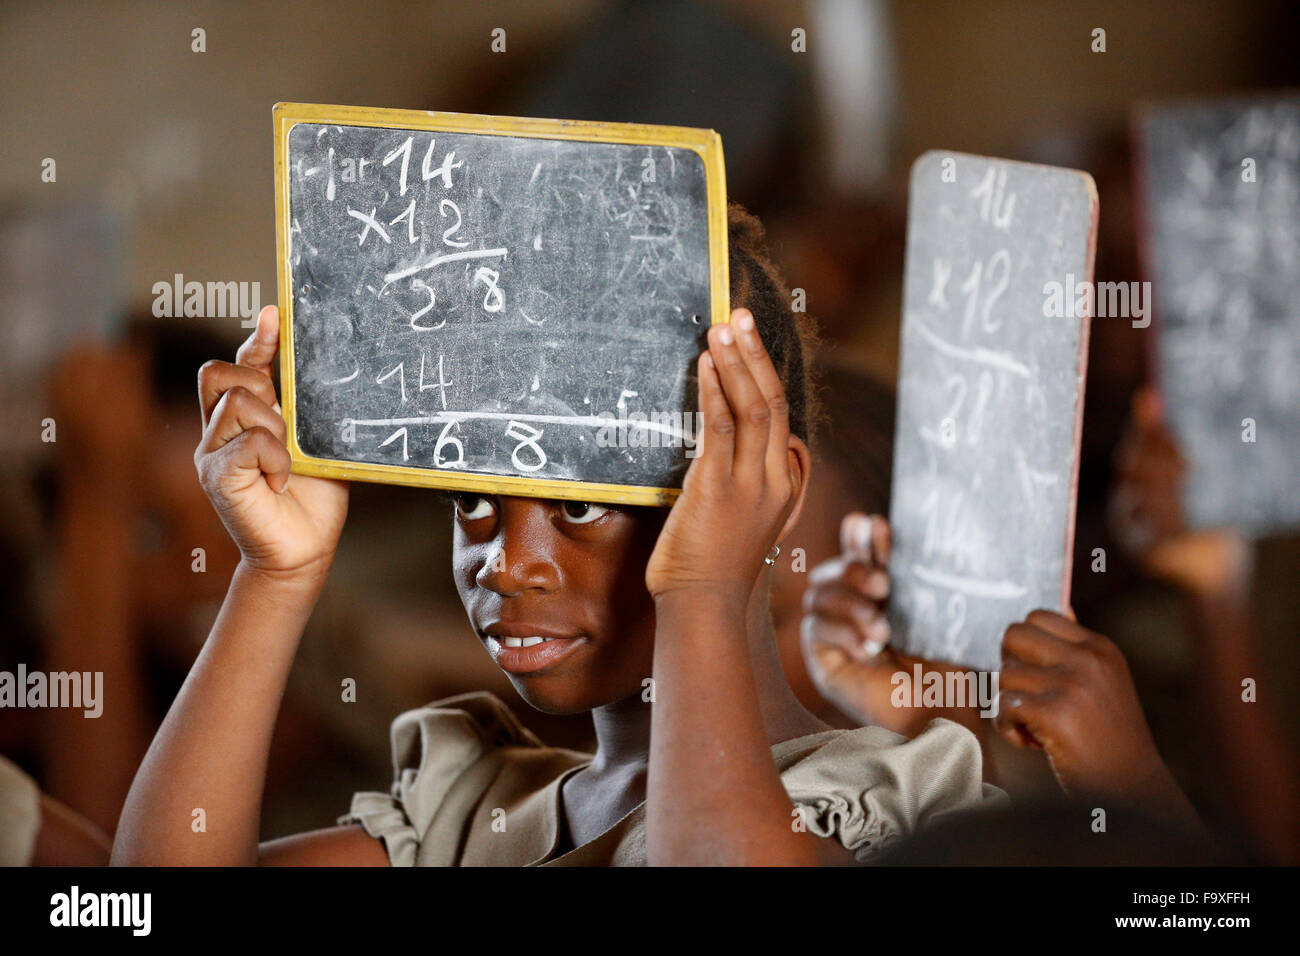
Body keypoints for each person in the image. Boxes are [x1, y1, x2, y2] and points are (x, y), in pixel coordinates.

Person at [111, 204, 1003, 866]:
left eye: (579, 506)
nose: (507, 564)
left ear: (759, 494)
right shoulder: (477, 809)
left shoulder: (884, 803)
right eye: (472, 501)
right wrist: (274, 576)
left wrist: (700, 588)